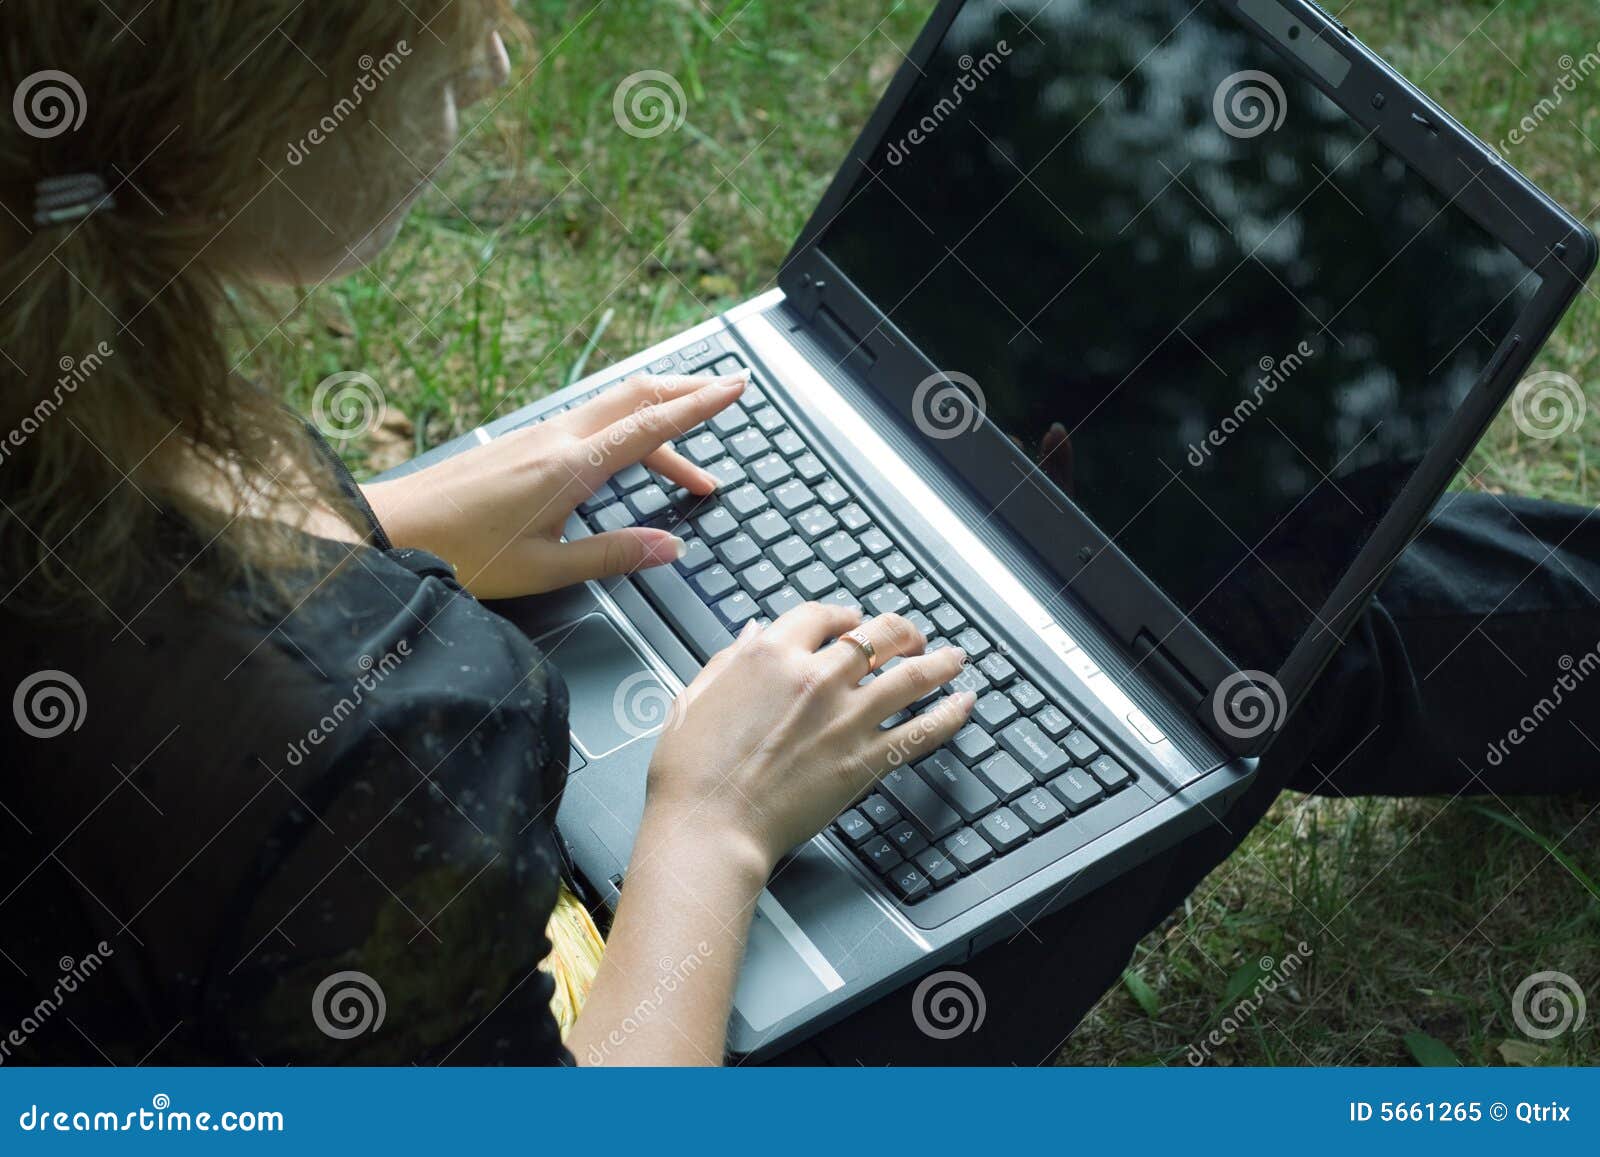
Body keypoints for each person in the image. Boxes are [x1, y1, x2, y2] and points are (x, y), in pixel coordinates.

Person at [2, 2, 1593, 1068]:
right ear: (249, 98)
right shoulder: (395, 737)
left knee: (1197, 598)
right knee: (1226, 629)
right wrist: (712, 827)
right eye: (440, 20)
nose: (498, 59)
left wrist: (371, 540)